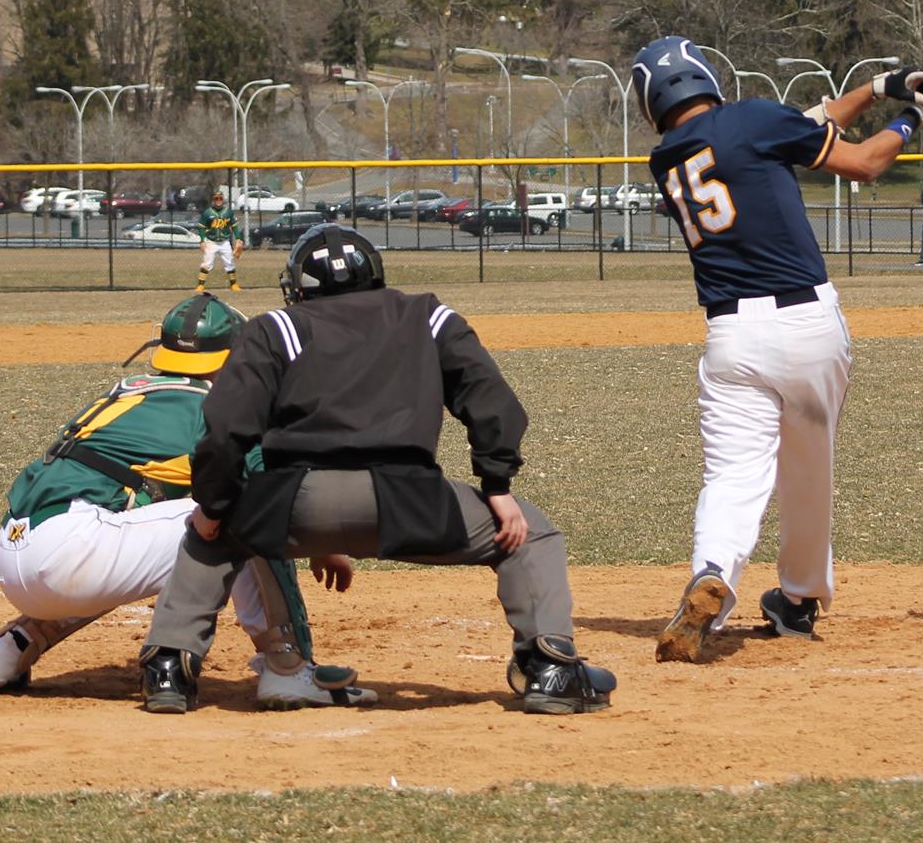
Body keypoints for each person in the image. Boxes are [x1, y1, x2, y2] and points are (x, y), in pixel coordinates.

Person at [138, 225, 615, 715]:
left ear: (300, 285)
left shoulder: (276, 328)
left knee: (209, 537)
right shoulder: (428, 316)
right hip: (410, 504)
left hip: (295, 506)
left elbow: (224, 429)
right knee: (531, 534)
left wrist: (214, 507)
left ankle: (170, 667)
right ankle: (550, 667)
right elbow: (493, 402)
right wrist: (496, 485)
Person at [637, 36, 923, 661]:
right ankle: (799, 598)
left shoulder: (668, 157)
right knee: (808, 469)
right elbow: (862, 163)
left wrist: (884, 85)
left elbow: (803, 124)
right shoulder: (751, 119)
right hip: (808, 325)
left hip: (731, 338)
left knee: (731, 475)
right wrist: (911, 116)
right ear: (705, 75)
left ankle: (712, 573)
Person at [0, 294, 375, 709]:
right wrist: (326, 546)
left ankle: (15, 645)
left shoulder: (128, 391)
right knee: (241, 510)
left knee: (146, 535)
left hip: (15, 548)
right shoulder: (215, 404)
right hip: (72, 547)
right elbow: (269, 490)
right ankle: (288, 667)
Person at [195, 190, 243, 293]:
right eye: (216, 198)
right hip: (211, 242)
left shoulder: (228, 212)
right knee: (207, 263)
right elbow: (201, 227)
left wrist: (238, 238)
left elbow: (234, 226)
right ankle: (200, 285)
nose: (218, 200)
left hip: (224, 242)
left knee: (229, 262)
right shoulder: (208, 213)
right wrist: (202, 240)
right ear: (213, 200)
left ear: (223, 199)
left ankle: (233, 284)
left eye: (220, 198)